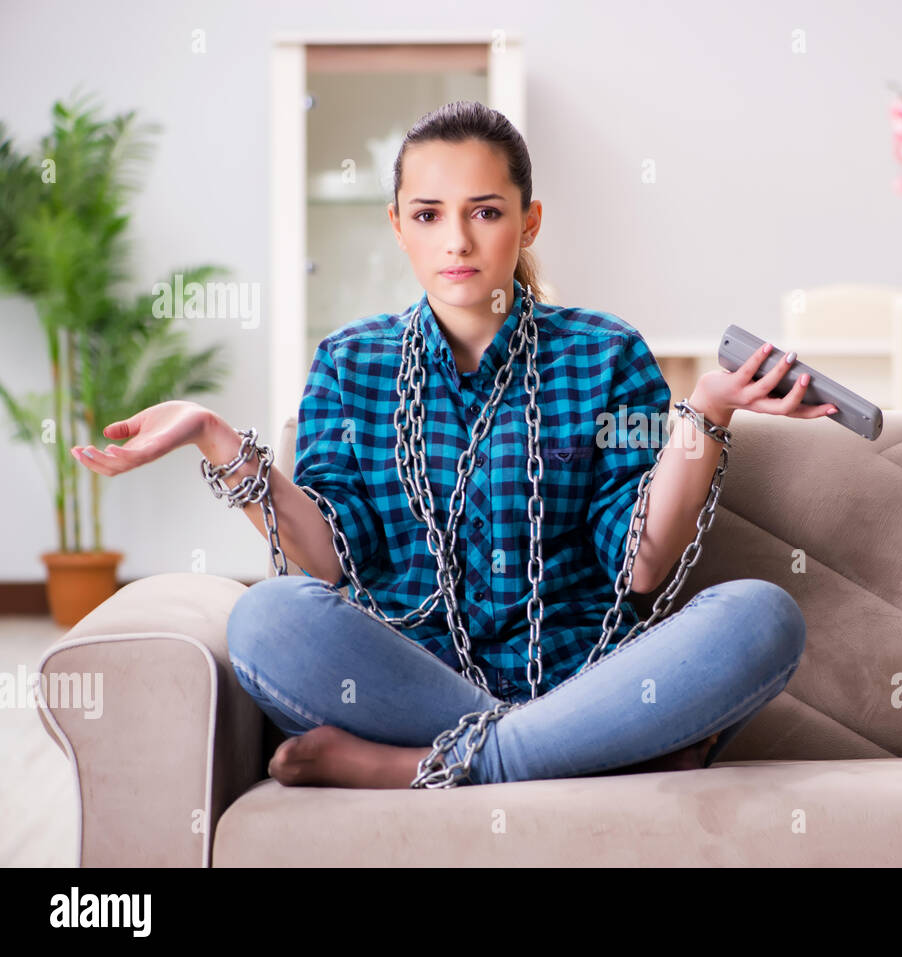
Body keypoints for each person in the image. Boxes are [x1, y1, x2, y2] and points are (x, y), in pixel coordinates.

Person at [69, 100, 840, 790]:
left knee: (762, 617)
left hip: (584, 680)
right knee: (264, 617)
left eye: (486, 212)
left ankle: (424, 768)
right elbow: (332, 557)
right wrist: (213, 435)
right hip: (413, 685)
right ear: (398, 225)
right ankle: (581, 758)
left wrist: (705, 413)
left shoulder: (607, 355)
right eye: (430, 214)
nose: (458, 240)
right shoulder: (350, 362)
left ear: (528, 222)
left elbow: (639, 565)